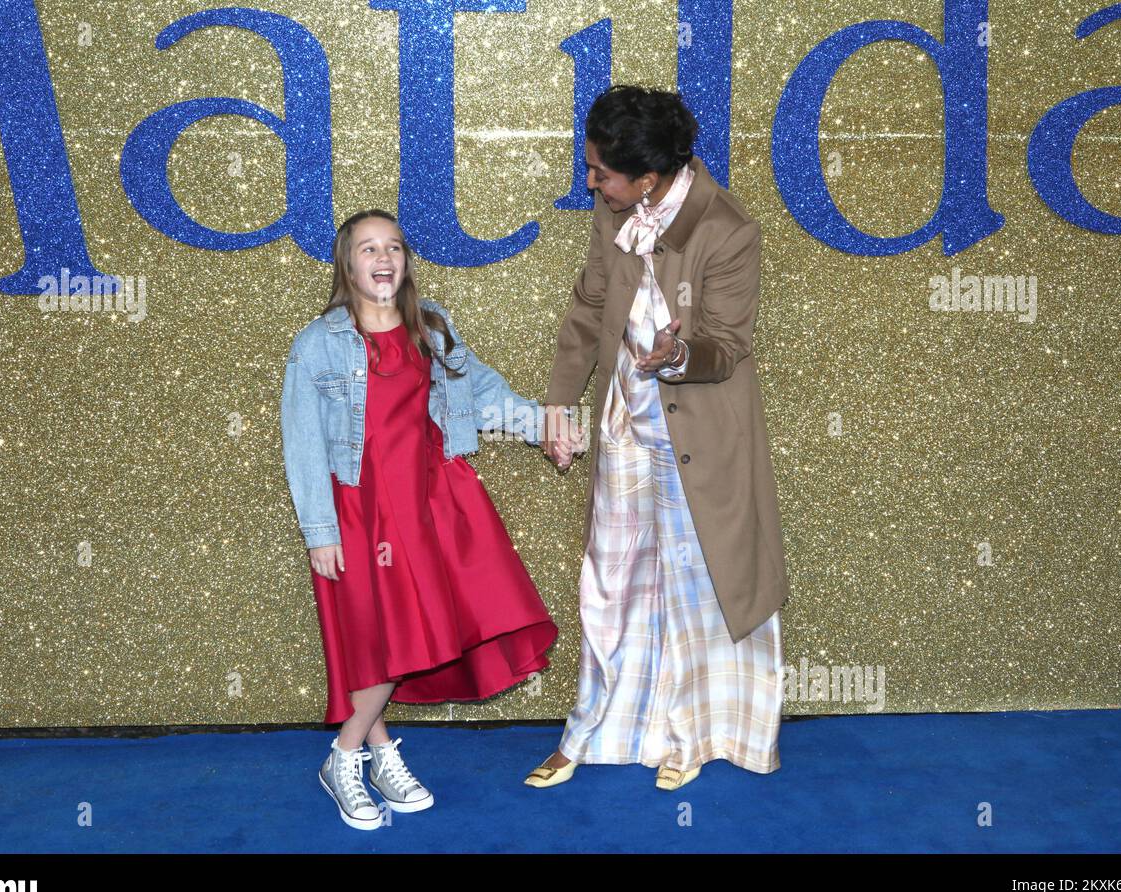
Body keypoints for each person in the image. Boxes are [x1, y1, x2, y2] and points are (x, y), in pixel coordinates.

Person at [530, 85, 791, 791]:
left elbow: (728, 345)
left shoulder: (728, 229)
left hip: (700, 433)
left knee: (696, 583)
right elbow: (590, 303)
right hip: (627, 427)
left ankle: (693, 735)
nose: (590, 181)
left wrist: (676, 356)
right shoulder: (613, 208)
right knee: (611, 580)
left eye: (601, 173)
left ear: (648, 177)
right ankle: (597, 728)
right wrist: (561, 403)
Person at [281, 210, 564, 829]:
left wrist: (544, 423)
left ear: (405, 260)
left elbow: (481, 392)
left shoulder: (430, 328)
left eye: (394, 247)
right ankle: (362, 753)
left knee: (412, 630)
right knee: (373, 639)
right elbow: (301, 442)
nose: (383, 258)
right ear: (347, 264)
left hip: (426, 505)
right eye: (367, 248)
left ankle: (354, 754)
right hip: (357, 509)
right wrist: (320, 531)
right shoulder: (318, 343)